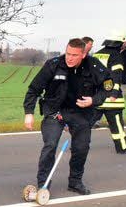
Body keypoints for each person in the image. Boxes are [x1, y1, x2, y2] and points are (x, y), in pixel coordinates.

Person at [23, 38, 112, 195]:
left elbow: (108, 88)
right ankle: (43, 185)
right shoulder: (53, 64)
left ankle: (75, 182)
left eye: (74, 55)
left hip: (81, 113)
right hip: (54, 111)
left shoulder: (94, 66)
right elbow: (33, 89)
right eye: (68, 53)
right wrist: (29, 113)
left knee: (81, 148)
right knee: (50, 145)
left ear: (83, 55)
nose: (69, 58)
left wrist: (93, 100)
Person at [93, 31, 126, 154]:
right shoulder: (116, 55)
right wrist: (113, 93)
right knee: (117, 125)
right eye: (124, 42)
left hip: (97, 97)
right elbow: (115, 76)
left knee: (86, 124)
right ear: (120, 43)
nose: (125, 44)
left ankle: (76, 146)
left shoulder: (97, 54)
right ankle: (122, 148)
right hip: (113, 100)